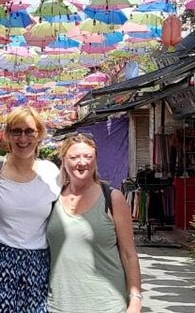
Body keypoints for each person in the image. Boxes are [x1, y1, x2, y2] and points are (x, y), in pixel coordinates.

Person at [47, 134, 143, 313]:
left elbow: (129, 254)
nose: (81, 162)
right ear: (63, 160)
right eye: (74, 157)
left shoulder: (112, 198)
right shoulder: (53, 198)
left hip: (108, 305)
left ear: (95, 160)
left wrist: (135, 299)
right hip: (59, 305)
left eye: (88, 156)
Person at [0, 107, 60, 313]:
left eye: (29, 131)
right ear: (6, 135)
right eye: (16, 131)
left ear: (40, 135)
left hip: (38, 263)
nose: (22, 138)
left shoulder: (51, 172)